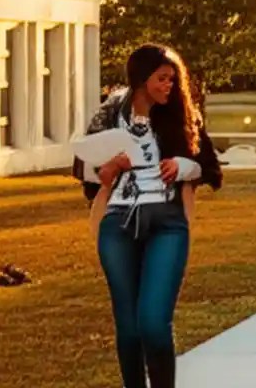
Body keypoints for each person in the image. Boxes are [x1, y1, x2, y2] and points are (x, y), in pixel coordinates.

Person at [78, 44, 222, 388]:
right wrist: (110, 168)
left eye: (172, 79)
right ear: (142, 79)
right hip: (117, 224)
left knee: (153, 323)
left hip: (167, 224)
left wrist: (182, 166)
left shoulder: (180, 114)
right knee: (128, 328)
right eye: (162, 79)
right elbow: (87, 177)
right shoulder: (110, 114)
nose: (169, 86)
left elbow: (211, 170)